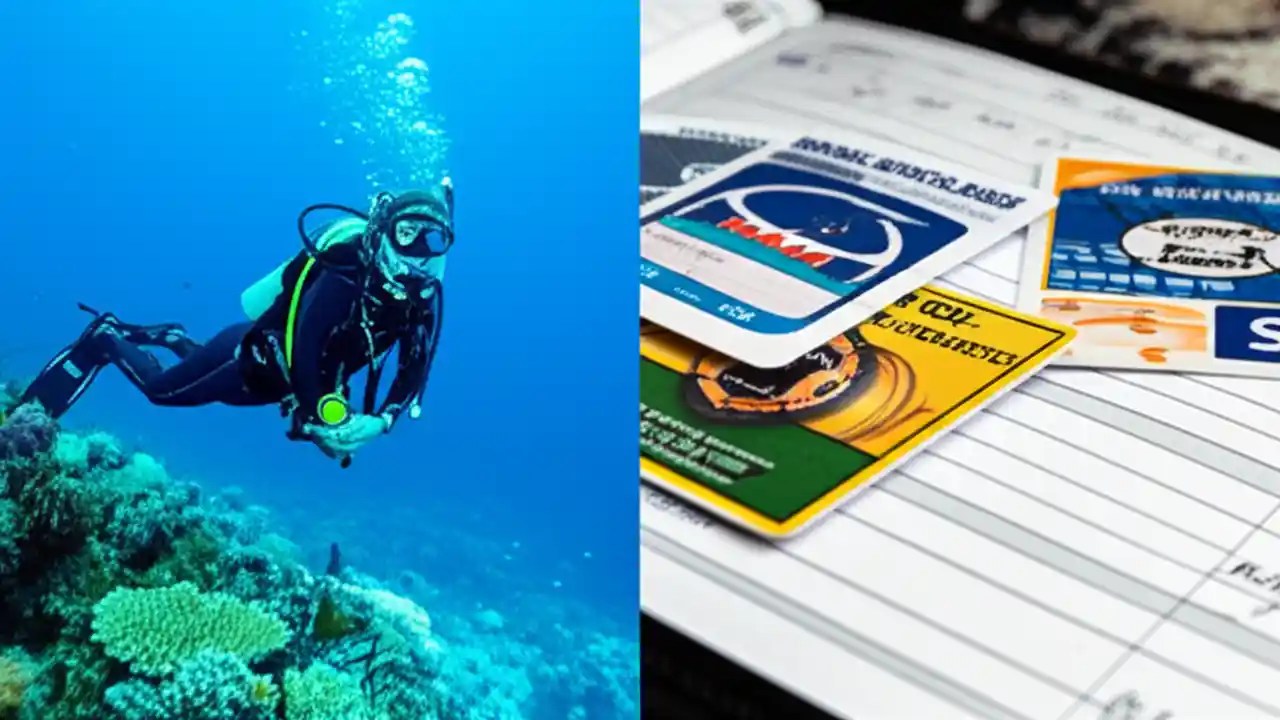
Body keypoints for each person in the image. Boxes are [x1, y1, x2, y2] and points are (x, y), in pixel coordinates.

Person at [17, 179, 454, 466]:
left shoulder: (421, 305)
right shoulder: (344, 275)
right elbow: (304, 348)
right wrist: (327, 421)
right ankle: (107, 338)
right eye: (406, 232)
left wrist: (379, 423)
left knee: (209, 384)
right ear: (383, 231)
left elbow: (412, 374)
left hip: (272, 385)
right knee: (162, 393)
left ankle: (174, 337)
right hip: (248, 358)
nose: (417, 251)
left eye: (432, 238)